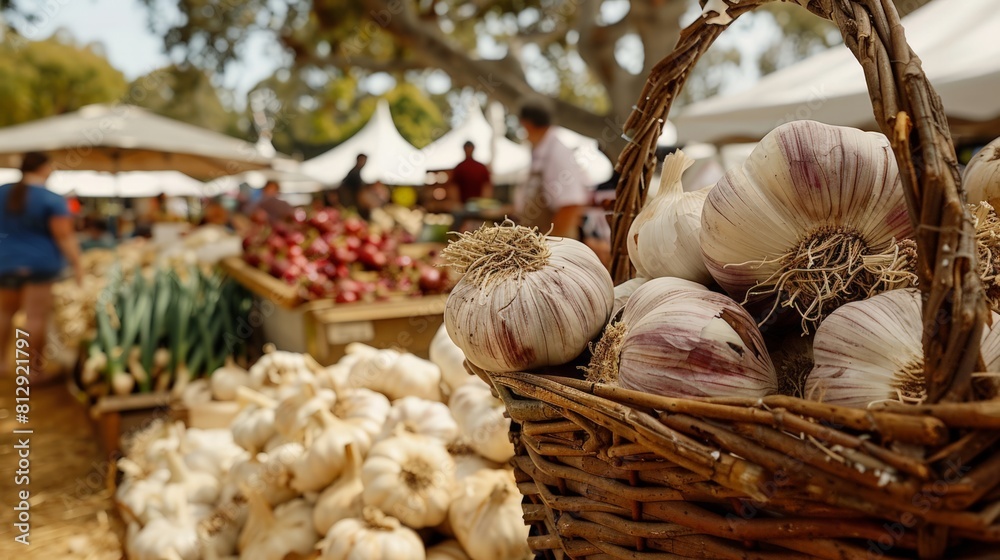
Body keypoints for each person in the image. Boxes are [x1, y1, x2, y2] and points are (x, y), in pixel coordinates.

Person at [0, 152, 82, 383]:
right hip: (39, 265)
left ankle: (2, 363)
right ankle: (32, 371)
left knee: (5, 313)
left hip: (5, 263)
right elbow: (64, 236)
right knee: (35, 316)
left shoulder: (3, 192)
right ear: (44, 168)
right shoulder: (51, 199)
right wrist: (77, 264)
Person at [517, 102, 590, 239]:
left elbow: (571, 204)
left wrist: (552, 245)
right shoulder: (542, 152)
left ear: (527, 125)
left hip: (553, 247)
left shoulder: (557, 153)